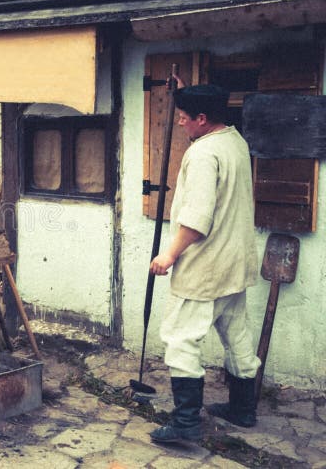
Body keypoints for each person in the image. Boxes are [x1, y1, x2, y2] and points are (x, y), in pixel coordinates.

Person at [148, 79, 261, 444]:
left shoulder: (201, 154)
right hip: (234, 263)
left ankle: (184, 426)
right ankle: (243, 410)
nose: (179, 122)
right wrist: (183, 90)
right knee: (237, 335)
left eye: (183, 116)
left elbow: (196, 220)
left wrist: (169, 255)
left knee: (181, 338)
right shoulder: (235, 141)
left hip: (205, 268)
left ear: (201, 117)